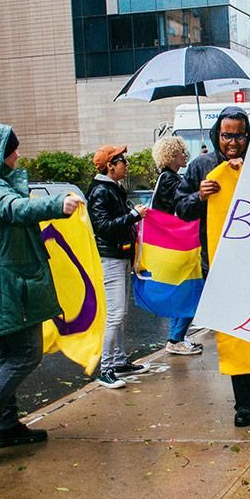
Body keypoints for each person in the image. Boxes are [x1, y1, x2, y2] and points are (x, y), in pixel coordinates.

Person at [0, 123, 80, 468]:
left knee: (10, 353)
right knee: (25, 354)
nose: (17, 154)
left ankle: (5, 425)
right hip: (5, 284)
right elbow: (14, 209)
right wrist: (58, 204)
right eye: (11, 150)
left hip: (6, 282)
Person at [175, 107, 250, 426]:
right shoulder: (201, 166)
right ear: (217, 135)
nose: (233, 142)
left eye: (240, 135)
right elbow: (180, 208)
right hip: (218, 266)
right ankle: (246, 404)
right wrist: (199, 195)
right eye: (227, 135)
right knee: (235, 333)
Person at [87, 144, 154, 388]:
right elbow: (103, 226)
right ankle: (106, 368)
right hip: (111, 257)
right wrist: (133, 216)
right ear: (109, 166)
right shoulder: (101, 191)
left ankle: (118, 361)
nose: (126, 164)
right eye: (121, 160)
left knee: (121, 313)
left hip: (120, 255)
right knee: (114, 314)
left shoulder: (112, 188)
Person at [150, 135, 202, 355]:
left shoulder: (167, 178)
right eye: (181, 152)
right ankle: (176, 338)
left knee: (184, 290)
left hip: (173, 243)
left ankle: (176, 337)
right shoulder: (170, 181)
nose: (185, 155)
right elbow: (185, 204)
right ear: (171, 155)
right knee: (190, 291)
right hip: (178, 243)